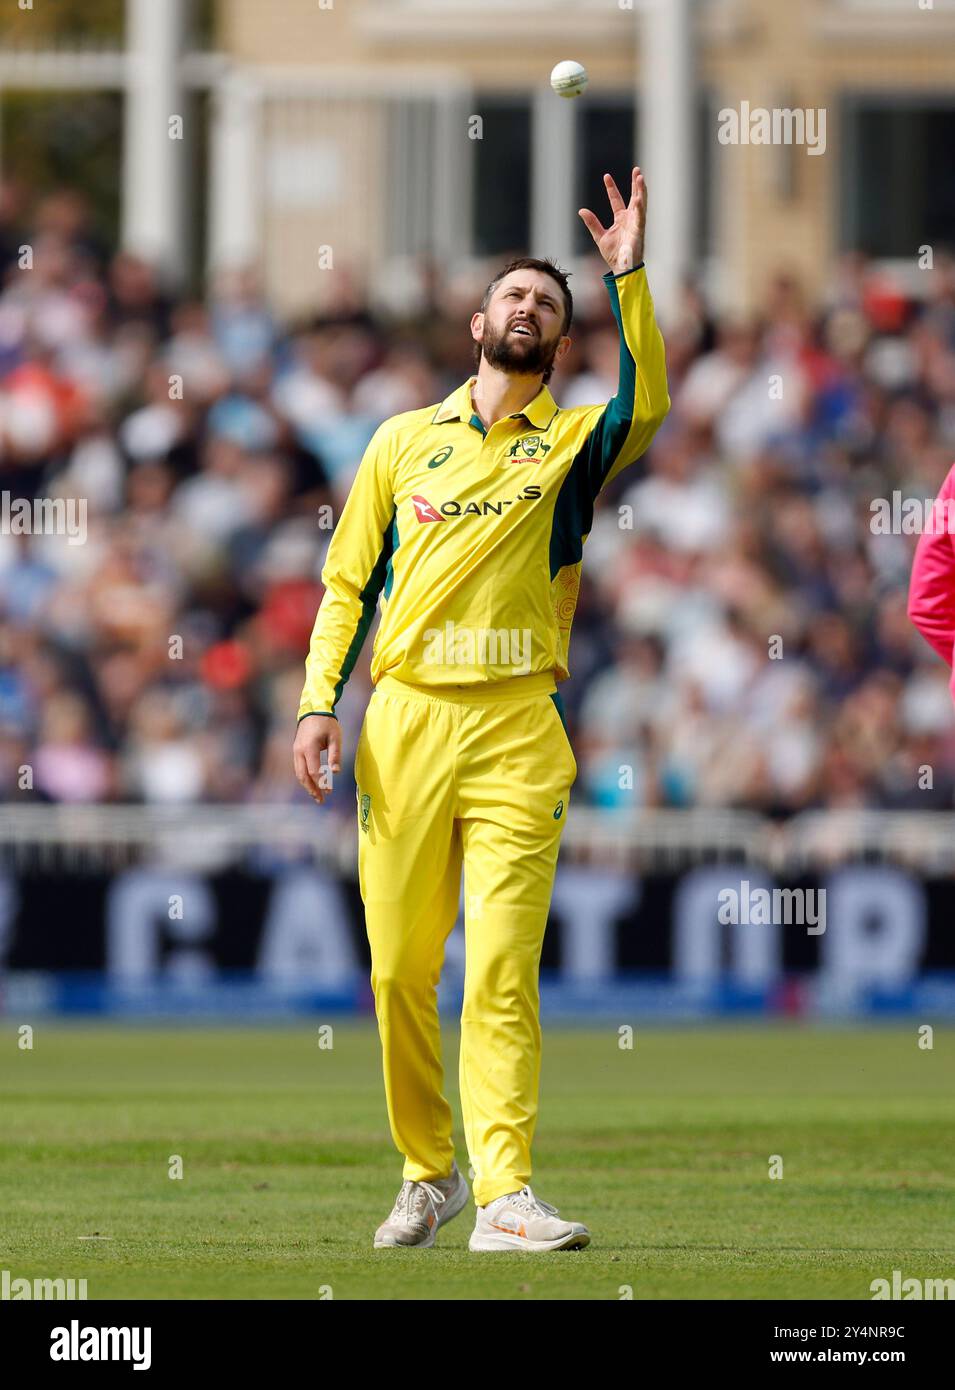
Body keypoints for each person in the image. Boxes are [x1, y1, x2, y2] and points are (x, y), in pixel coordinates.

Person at [293, 168, 670, 1252]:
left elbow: (646, 403)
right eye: (513, 297)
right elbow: (345, 584)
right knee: (398, 972)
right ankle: (429, 1172)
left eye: (547, 307)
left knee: (499, 971)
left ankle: (506, 1193)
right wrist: (319, 703)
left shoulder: (574, 443)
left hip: (516, 728)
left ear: (559, 339)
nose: (527, 311)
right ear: (477, 321)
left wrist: (628, 276)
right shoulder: (399, 440)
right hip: (402, 721)